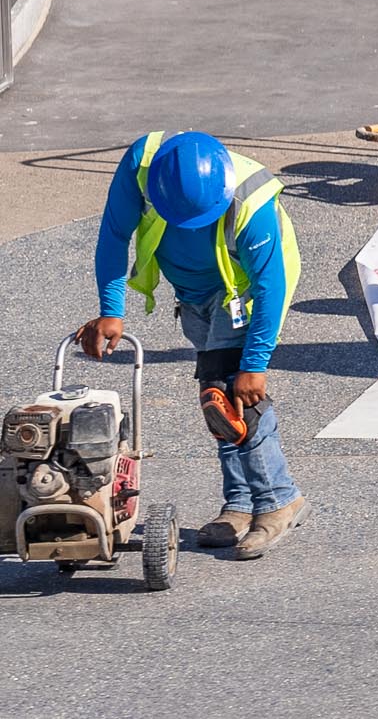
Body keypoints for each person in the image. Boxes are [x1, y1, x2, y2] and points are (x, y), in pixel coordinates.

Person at [81, 131, 306, 559]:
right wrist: (111, 309)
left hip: (242, 292)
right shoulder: (142, 166)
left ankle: (278, 500)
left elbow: (270, 286)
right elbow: (114, 234)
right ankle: (240, 503)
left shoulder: (250, 198)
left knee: (231, 397)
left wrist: (255, 364)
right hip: (190, 294)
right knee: (216, 398)